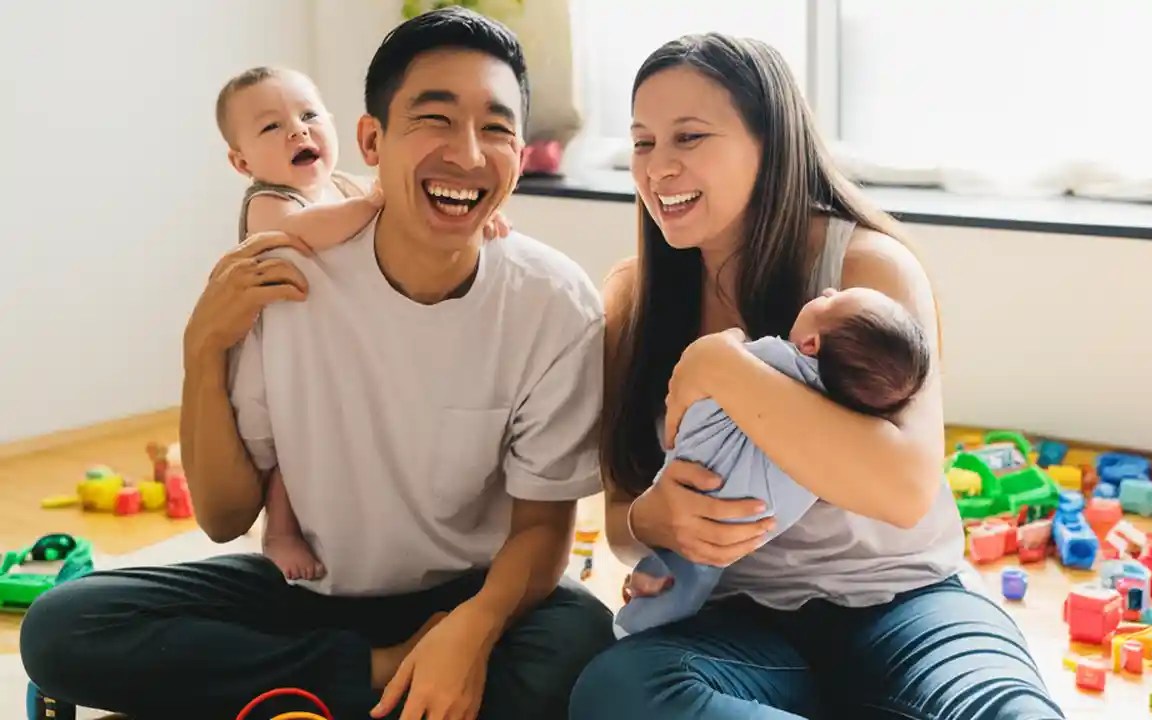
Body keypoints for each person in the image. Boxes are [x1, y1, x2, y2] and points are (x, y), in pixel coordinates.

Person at [20, 8, 615, 720]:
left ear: (519, 154)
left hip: (467, 594)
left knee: (581, 641)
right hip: (305, 595)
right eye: (435, 118)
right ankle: (383, 677)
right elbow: (223, 515)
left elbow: (543, 529)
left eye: (495, 127)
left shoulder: (554, 302)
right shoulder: (288, 277)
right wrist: (201, 351)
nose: (467, 152)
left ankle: (307, 693)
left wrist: (473, 628)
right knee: (64, 627)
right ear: (372, 139)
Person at [569, 33, 1065, 720]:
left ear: (769, 144)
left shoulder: (866, 271)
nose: (659, 168)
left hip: (905, 605)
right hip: (738, 626)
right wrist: (649, 518)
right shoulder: (632, 297)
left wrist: (721, 365)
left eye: (690, 137)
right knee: (615, 692)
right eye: (644, 142)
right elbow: (625, 511)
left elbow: (902, 490)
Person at [215, 64, 507, 581]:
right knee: (284, 448)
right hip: (276, 352)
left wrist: (474, 218)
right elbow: (305, 232)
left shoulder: (347, 186)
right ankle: (280, 531)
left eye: (308, 115)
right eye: (271, 127)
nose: (298, 131)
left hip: (334, 343)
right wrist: (378, 199)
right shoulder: (269, 201)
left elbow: (410, 220)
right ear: (242, 161)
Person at [615, 286, 932, 634]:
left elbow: (713, 370)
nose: (827, 289)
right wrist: (644, 520)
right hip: (744, 526)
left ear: (811, 345)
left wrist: (722, 349)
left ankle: (636, 625)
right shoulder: (843, 422)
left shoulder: (772, 358)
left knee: (682, 577)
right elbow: (621, 520)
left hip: (719, 507)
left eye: (830, 300)